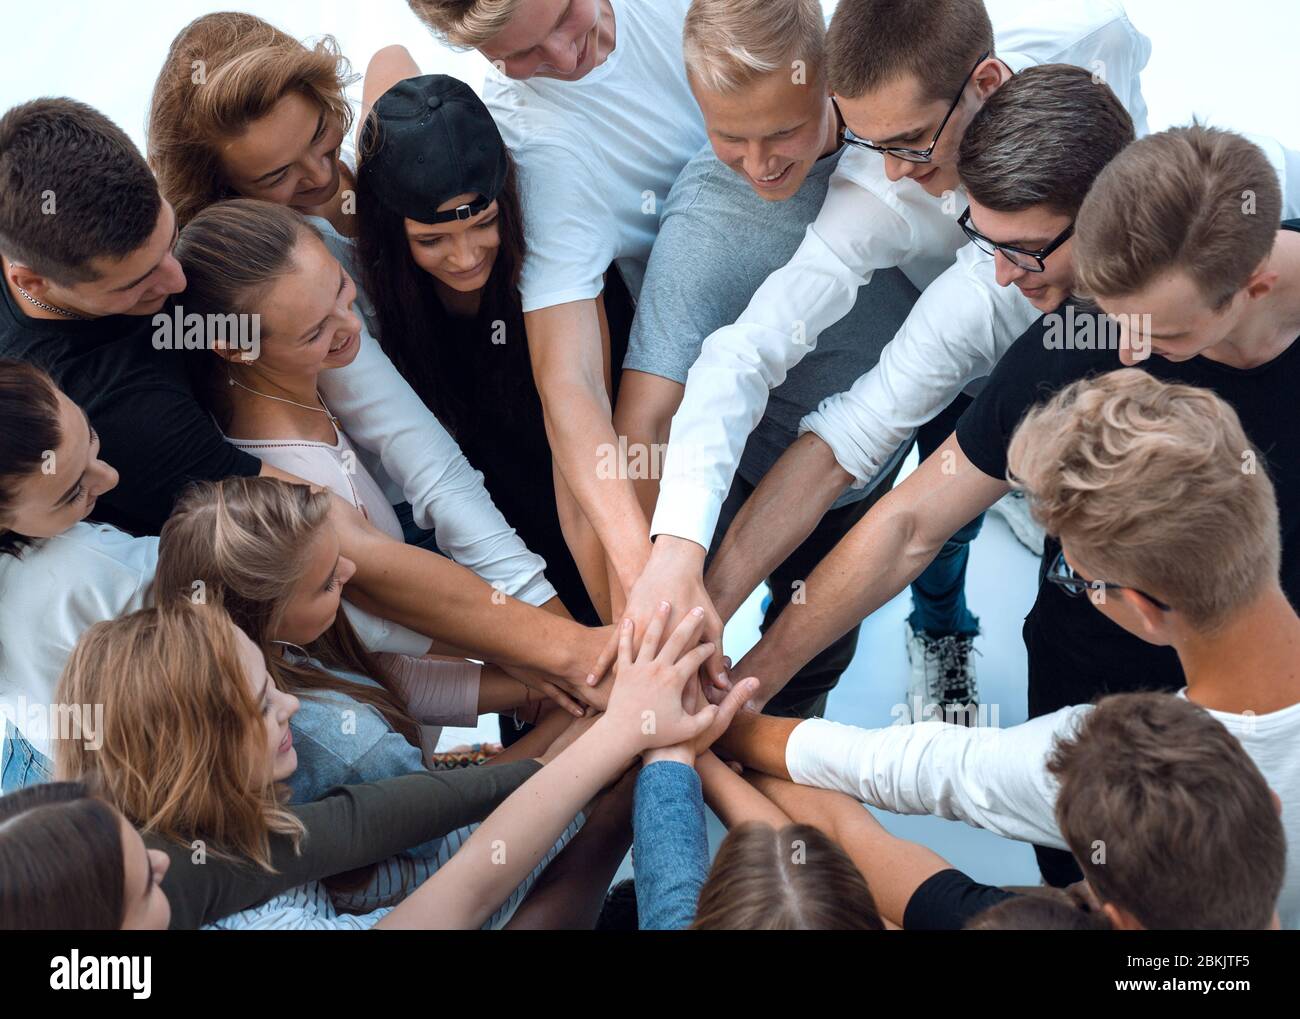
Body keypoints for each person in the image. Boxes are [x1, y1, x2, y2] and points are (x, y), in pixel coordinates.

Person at [721, 122, 1300, 881]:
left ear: (1252, 283)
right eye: (1105, 309)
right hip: (1086, 669)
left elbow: (932, 791)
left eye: (1159, 333)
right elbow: (909, 523)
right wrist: (749, 681)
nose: (1123, 353)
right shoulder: (1083, 333)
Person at [618, 0, 1153, 697]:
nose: (891, 171)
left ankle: (953, 605)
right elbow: (752, 358)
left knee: (979, 519)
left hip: (1099, 284)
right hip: (970, 344)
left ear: (986, 83)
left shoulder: (1091, 37)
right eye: (868, 142)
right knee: (946, 490)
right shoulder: (882, 185)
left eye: (909, 143)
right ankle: (941, 624)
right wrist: (681, 563)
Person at [715, 371, 1300, 926]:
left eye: (1075, 575)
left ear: (1144, 607)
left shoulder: (1131, 779)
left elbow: (914, 770)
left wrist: (723, 725)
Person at [146, 12, 569, 615]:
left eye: (319, 133)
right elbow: (419, 454)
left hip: (503, 430)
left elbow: (392, 60)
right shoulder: (287, 280)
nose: (318, 174)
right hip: (422, 505)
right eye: (276, 175)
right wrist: (544, 620)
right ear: (224, 194)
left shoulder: (372, 162)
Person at [611, 0, 920, 718]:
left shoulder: (910, 145)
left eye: (783, 130)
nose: (760, 164)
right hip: (743, 479)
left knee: (815, 658)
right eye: (729, 136)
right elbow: (644, 424)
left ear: (830, 80)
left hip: (873, 469)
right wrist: (658, 587)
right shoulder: (703, 228)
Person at [406, 0, 707, 617]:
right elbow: (569, 383)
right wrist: (643, 578)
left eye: (567, 13)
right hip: (732, 387)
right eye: (519, 55)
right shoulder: (533, 145)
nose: (566, 57)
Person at [53, 600, 582, 929]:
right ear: (195, 753)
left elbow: (370, 823)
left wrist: (585, 735)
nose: (292, 706)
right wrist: (588, 790)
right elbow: (459, 901)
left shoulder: (202, 818)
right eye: (263, 703)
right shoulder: (243, 915)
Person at [353, 61, 598, 625]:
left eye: (482, 223)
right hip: (485, 535)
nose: (464, 258)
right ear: (392, 230)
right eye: (432, 239)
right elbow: (386, 60)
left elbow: (587, 441)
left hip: (583, 488)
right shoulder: (373, 288)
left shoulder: (560, 269)